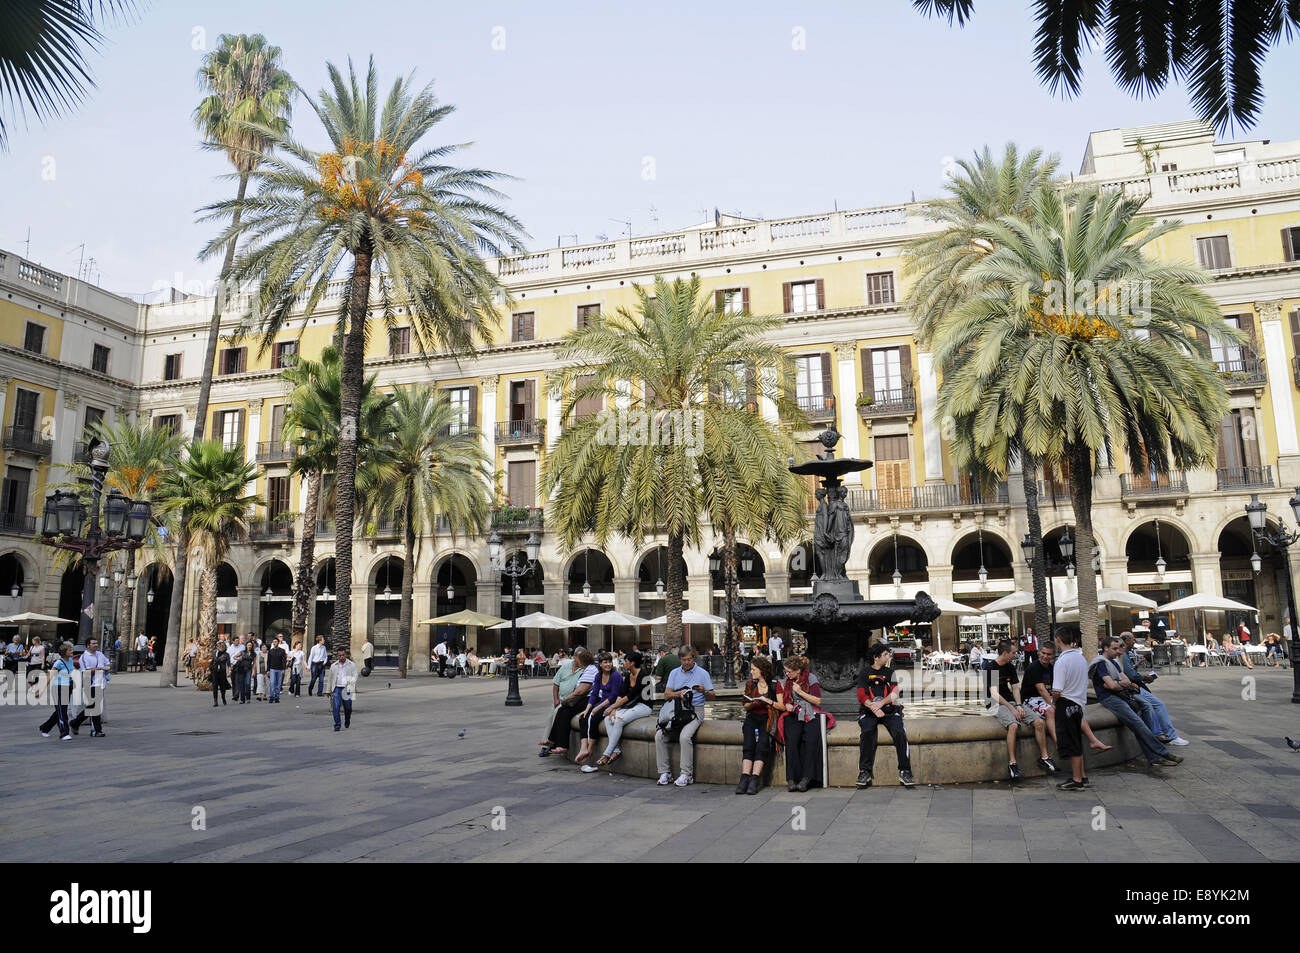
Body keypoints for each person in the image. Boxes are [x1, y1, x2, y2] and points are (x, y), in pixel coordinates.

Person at [1091, 636, 1182, 771]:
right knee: (1138, 723)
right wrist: (1116, 684)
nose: (1118, 651)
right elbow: (1112, 686)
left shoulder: (1113, 663)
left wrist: (1116, 684)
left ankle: (1154, 758)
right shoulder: (1101, 663)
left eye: (1118, 648)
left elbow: (1124, 681)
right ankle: (1163, 753)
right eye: (1114, 648)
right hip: (1110, 699)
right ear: (1105, 648)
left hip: (1121, 695)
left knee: (1138, 725)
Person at [1021, 642, 1111, 753]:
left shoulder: (1050, 667)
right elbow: (1040, 689)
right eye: (1043, 653)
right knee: (1050, 711)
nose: (1045, 656)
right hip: (1030, 699)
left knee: (1073, 708)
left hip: (1044, 698)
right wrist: (1053, 703)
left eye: (1048, 654)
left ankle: (1093, 740)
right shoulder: (1032, 667)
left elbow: (1053, 689)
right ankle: (1059, 744)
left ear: (1054, 655)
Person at [988, 639, 1057, 781]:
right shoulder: (989, 667)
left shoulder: (1010, 667)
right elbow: (994, 694)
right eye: (1013, 652)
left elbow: (1015, 688)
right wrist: (1011, 708)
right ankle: (1012, 764)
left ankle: (1044, 757)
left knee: (1038, 722)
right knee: (1013, 725)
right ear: (1005, 653)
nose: (1015, 654)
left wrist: (1018, 705)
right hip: (994, 703)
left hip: (1011, 702)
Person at [856, 643, 915, 788]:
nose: (888, 657)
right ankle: (864, 771)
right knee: (867, 733)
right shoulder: (864, 673)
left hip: (889, 710)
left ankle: (905, 770)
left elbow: (895, 692)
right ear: (876, 658)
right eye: (885, 655)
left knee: (900, 733)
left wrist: (881, 704)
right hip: (869, 712)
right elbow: (861, 694)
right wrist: (873, 708)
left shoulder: (890, 672)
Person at [655, 646, 715, 787]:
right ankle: (665, 772)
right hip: (677, 711)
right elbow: (666, 695)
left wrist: (704, 691)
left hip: (695, 711)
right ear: (680, 659)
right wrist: (679, 694)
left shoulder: (703, 673)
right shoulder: (674, 673)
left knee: (684, 736)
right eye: (684, 660)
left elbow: (713, 697)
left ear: (693, 658)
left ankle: (686, 774)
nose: (687, 662)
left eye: (689, 659)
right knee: (659, 735)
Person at [1120, 632, 1188, 746]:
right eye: (1132, 639)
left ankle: (1161, 734)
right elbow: (1130, 676)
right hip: (1131, 688)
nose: (1134, 641)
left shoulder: (1124, 654)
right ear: (1126, 641)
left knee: (1151, 705)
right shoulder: (1123, 654)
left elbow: (1127, 672)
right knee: (1157, 704)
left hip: (1133, 686)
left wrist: (1135, 671)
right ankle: (1169, 736)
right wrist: (1143, 676)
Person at [774, 655, 829, 792]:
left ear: (798, 670)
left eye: (789, 671)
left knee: (810, 740)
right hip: (794, 714)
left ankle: (807, 777)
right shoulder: (787, 682)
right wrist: (787, 705)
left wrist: (800, 692)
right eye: (785, 671)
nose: (786, 674)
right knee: (791, 741)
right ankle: (792, 778)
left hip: (810, 713)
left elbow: (818, 701)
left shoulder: (811, 679)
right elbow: (787, 700)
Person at [591, 651, 653, 770]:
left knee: (619, 720)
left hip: (644, 706)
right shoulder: (628, 674)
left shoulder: (644, 676)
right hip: (631, 705)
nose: (624, 663)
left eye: (626, 661)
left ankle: (606, 754)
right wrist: (614, 708)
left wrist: (612, 707)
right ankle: (616, 750)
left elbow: (629, 696)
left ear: (632, 663)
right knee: (609, 718)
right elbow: (621, 694)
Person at [1050, 625, 1091, 790]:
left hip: (1066, 704)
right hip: (1079, 704)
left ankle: (1076, 780)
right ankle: (1082, 776)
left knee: (1071, 742)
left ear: (1058, 640)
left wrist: (1053, 702)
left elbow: (1057, 690)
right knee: (1077, 741)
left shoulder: (1062, 661)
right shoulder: (1080, 658)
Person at [540, 648, 594, 755]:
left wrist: (567, 698)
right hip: (564, 699)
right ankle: (551, 742)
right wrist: (556, 699)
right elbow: (556, 683)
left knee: (562, 711)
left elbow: (581, 691)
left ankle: (558, 744)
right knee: (556, 713)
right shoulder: (566, 667)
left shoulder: (588, 670)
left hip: (575, 699)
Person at [736, 656, 777, 794]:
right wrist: (752, 703)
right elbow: (746, 706)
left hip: (767, 718)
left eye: (754, 669)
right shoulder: (750, 684)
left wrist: (768, 701)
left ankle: (754, 779)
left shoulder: (774, 684)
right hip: (752, 717)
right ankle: (744, 778)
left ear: (762, 670)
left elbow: (781, 705)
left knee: (762, 745)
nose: (751, 672)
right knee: (748, 745)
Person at [576, 652, 623, 766]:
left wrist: (597, 708)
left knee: (594, 719)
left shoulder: (615, 675)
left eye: (609, 661)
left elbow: (613, 696)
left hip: (614, 704)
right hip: (603, 702)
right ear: (600, 665)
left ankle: (590, 750)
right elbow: (594, 694)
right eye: (605, 662)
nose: (608, 664)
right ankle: (584, 748)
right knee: (584, 717)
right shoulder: (598, 676)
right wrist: (587, 709)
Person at [69, 637, 111, 736]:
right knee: (94, 706)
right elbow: (85, 671)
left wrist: (107, 668)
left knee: (93, 706)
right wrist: (99, 668)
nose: (96, 645)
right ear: (88, 645)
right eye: (93, 643)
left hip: (101, 683)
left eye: (96, 643)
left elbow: (107, 663)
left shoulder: (100, 654)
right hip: (91, 683)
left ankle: (75, 723)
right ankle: (96, 730)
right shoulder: (84, 657)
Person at [39, 642, 76, 740]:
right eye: (70, 650)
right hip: (58, 688)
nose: (72, 651)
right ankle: (64, 733)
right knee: (62, 711)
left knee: (59, 711)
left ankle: (44, 728)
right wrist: (42, 690)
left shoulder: (71, 660)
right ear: (64, 652)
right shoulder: (58, 663)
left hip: (68, 688)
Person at [326, 648, 359, 731]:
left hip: (347, 688)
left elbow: (355, 675)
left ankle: (347, 719)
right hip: (337, 688)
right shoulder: (334, 666)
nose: (341, 657)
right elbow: (330, 679)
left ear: (346, 655)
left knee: (348, 708)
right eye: (339, 655)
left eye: (343, 655)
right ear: (337, 656)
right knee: (336, 707)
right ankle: (337, 725)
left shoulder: (351, 665)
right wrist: (328, 691)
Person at [209, 641, 230, 706]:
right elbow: (212, 661)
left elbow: (228, 664)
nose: (217, 647)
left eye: (219, 646)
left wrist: (229, 671)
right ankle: (215, 701)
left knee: (222, 687)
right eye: (217, 646)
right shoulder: (215, 653)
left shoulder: (226, 654)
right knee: (215, 686)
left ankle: (223, 697)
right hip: (215, 672)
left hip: (222, 672)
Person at [267, 638, 288, 703]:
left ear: (278, 642)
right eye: (273, 642)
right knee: (272, 683)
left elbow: (284, 660)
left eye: (276, 641)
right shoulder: (270, 651)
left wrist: (284, 669)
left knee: (278, 684)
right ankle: (271, 697)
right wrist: (268, 670)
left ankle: (277, 697)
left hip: (280, 669)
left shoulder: (282, 651)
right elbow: (268, 661)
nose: (274, 643)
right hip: (272, 669)